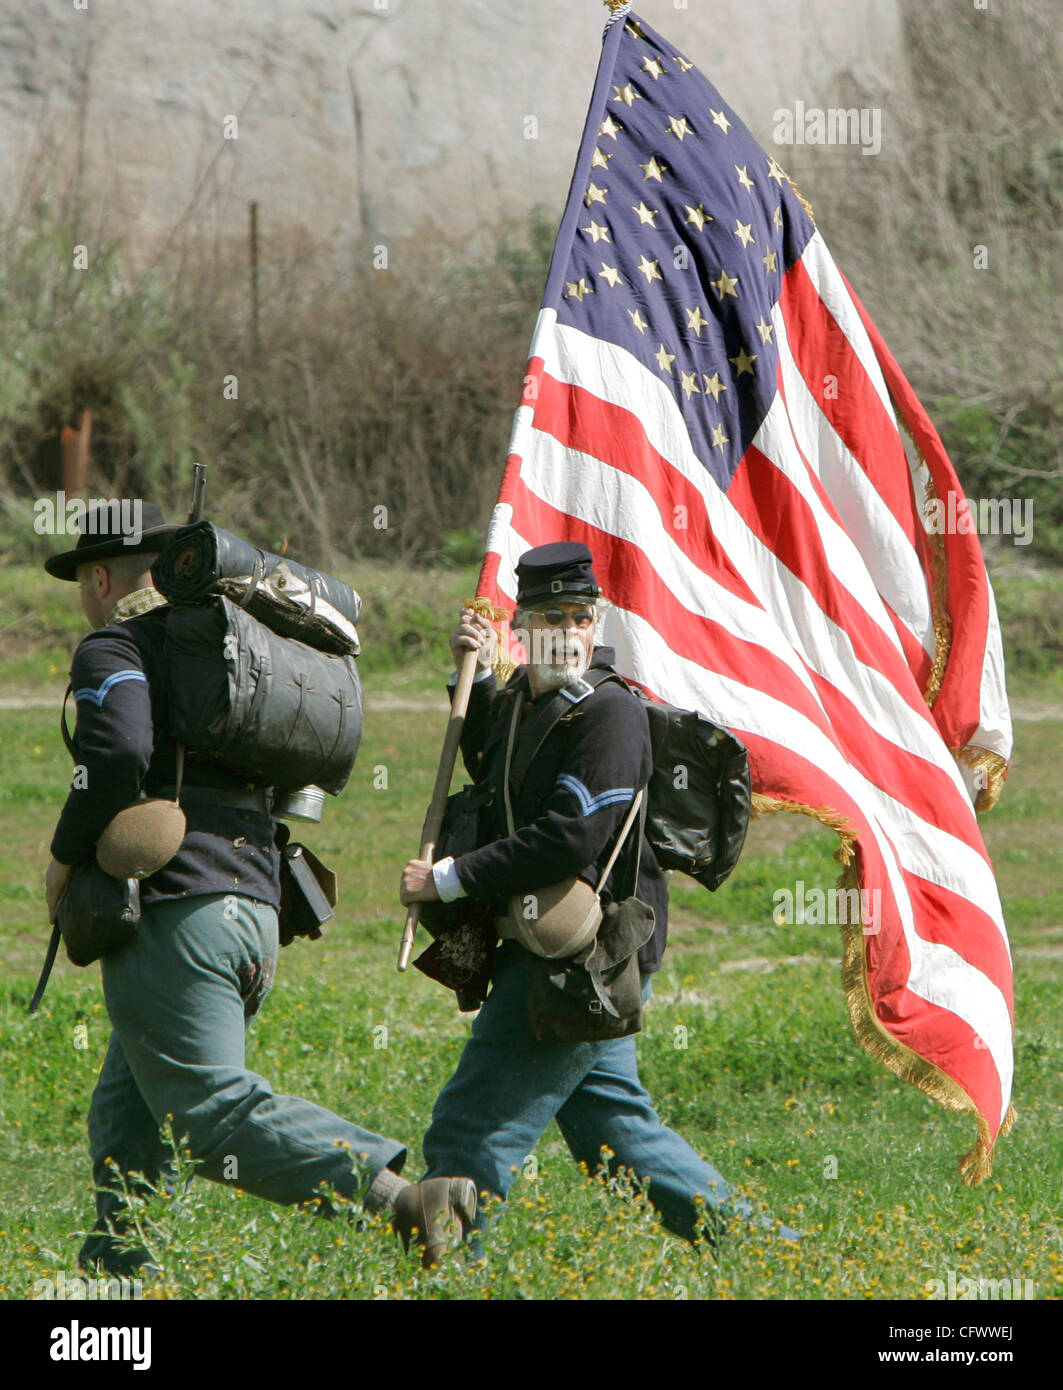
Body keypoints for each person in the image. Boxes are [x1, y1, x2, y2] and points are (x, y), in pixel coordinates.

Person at [44, 500, 473, 1275]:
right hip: (252, 913)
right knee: (131, 1118)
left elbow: (117, 751)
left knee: (207, 1114)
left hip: (177, 919)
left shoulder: (119, 643)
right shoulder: (230, 647)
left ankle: (400, 1199)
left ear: (101, 577)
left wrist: (66, 854)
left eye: (83, 578)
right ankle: (113, 1285)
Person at [401, 541, 799, 1248]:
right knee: (615, 1138)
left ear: (596, 621)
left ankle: (443, 1269)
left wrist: (448, 879)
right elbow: (500, 780)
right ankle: (772, 1255)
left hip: (582, 954)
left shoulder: (611, 716)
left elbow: (568, 836)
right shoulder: (528, 699)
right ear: (520, 626)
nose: (571, 631)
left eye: (582, 616)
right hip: (551, 945)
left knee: (469, 1132)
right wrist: (473, 678)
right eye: (552, 616)